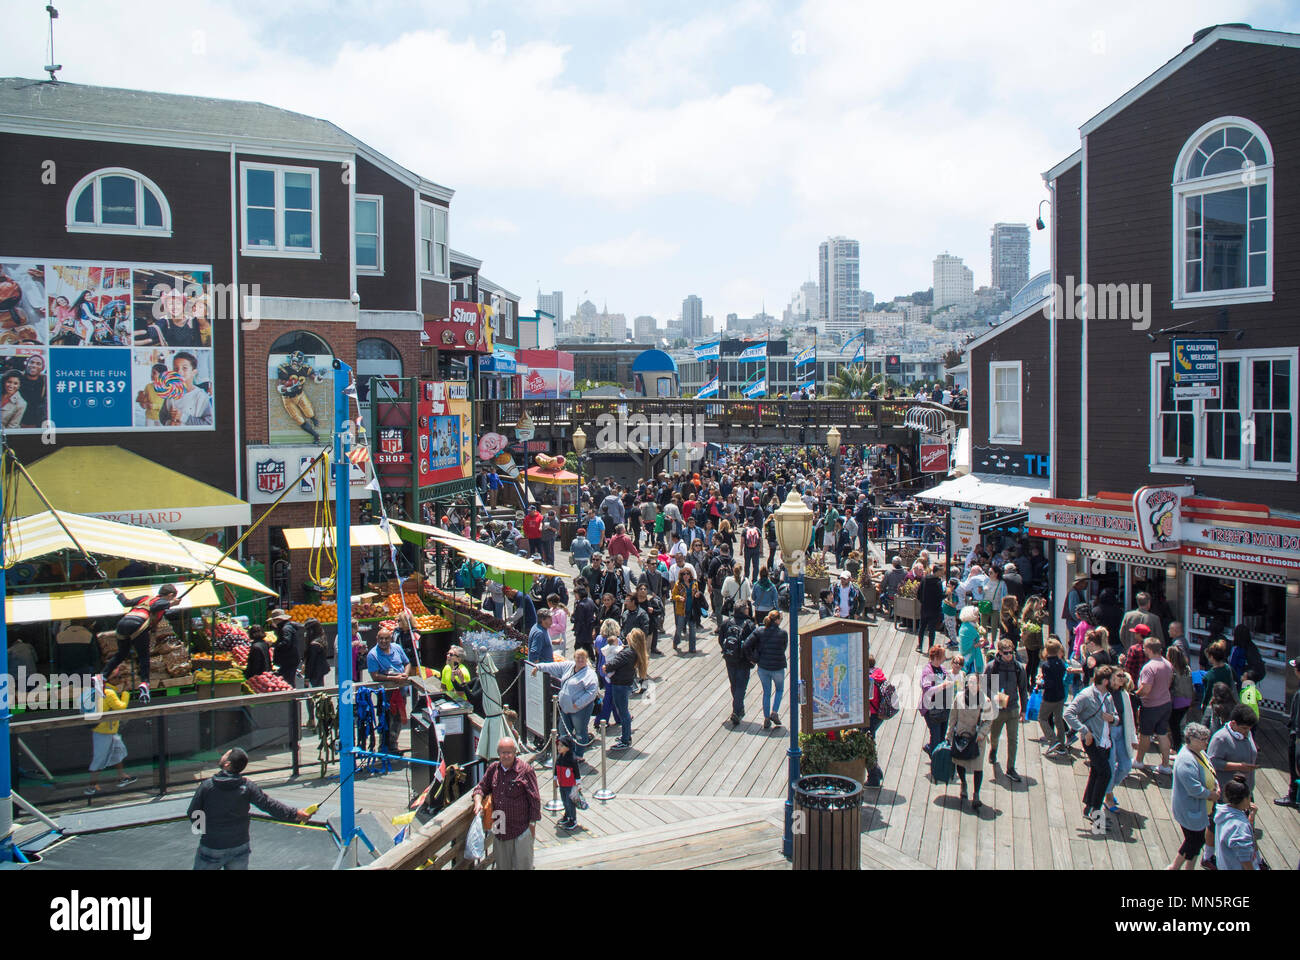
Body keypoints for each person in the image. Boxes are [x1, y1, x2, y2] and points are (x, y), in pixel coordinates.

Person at [188, 747, 309, 870]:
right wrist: (295, 813)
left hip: (212, 846)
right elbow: (268, 804)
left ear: (227, 764)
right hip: (239, 847)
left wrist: (204, 831)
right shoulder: (247, 787)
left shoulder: (207, 786)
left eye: (225, 755)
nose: (222, 756)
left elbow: (193, 812)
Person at [472, 737, 541, 870]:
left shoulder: (526, 770)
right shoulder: (493, 769)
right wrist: (477, 802)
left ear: (515, 752)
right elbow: (480, 788)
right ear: (498, 753)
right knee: (502, 866)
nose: (506, 755)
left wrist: (532, 825)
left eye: (509, 752)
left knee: (523, 866)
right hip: (500, 827)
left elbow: (535, 799)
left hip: (521, 827)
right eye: (503, 752)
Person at [1065, 664, 1118, 835]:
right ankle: (1096, 812)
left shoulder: (1108, 697)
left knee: (1097, 772)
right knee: (1105, 773)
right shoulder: (1086, 696)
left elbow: (1116, 717)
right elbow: (1068, 714)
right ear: (1104, 681)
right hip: (1092, 741)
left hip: (1104, 742)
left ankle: (1089, 806)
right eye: (1113, 679)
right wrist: (1084, 731)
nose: (1116, 682)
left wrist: (1112, 719)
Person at [532, 649, 600, 761]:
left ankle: (578, 755)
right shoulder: (569, 666)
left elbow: (591, 693)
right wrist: (539, 667)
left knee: (580, 732)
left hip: (580, 709)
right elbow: (554, 666)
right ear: (574, 658)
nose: (580, 660)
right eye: (578, 657)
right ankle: (567, 754)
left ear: (586, 659)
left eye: (583, 658)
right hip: (565, 707)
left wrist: (577, 704)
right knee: (563, 732)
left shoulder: (590, 675)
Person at [1168, 722, 1218, 870]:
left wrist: (1216, 785)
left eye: (1206, 739)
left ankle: (1188, 867)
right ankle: (1174, 867)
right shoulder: (1186, 760)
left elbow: (1210, 770)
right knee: (1194, 841)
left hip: (1200, 809)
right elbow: (1194, 789)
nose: (1206, 742)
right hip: (1190, 810)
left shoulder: (1200, 753)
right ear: (1191, 739)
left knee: (1196, 840)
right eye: (1203, 739)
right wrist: (1211, 795)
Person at [949, 671, 997, 811]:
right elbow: (953, 716)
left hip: (977, 738)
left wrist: (982, 733)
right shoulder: (959, 697)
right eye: (970, 682)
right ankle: (964, 784)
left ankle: (976, 794)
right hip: (961, 735)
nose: (972, 685)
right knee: (960, 762)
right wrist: (949, 733)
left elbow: (989, 720)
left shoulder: (985, 701)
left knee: (978, 766)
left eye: (974, 682)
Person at [85, 673, 137, 796]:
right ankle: (91, 786)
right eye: (118, 678)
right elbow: (121, 707)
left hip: (106, 730)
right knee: (99, 758)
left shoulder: (95, 692)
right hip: (104, 732)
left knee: (117, 751)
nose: (120, 680)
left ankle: (121, 777)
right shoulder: (109, 693)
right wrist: (125, 693)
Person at [984, 637, 1028, 782]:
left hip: (1013, 708)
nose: (1009, 655)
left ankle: (1010, 768)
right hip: (997, 709)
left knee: (1013, 739)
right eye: (1006, 653)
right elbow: (985, 686)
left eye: (1011, 652)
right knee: (995, 736)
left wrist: (1024, 710)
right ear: (1000, 653)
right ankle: (994, 750)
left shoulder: (1018, 668)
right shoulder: (992, 667)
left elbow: (1023, 688)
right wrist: (993, 696)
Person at [1132, 637, 1174, 774]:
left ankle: (1138, 761)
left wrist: (1134, 694)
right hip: (1165, 703)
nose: (1143, 650)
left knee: (1145, 734)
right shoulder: (1167, 664)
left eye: (1144, 648)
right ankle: (1166, 765)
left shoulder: (1149, 667)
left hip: (1151, 706)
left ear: (1149, 649)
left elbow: (1146, 689)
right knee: (1162, 734)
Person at [1104, 670, 1138, 813]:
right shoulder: (1105, 693)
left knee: (1126, 765)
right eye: (1120, 675)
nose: (1123, 678)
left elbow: (1129, 716)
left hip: (1122, 732)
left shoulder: (1124, 694)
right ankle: (1108, 795)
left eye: (1124, 676)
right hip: (1109, 733)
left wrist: (1133, 737)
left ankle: (1108, 788)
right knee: (1110, 767)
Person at [1206, 704, 1260, 794]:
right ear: (1234, 723)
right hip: (1228, 794)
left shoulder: (1247, 733)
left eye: (1249, 729)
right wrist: (1238, 766)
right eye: (1244, 728)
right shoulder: (1221, 738)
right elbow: (1212, 762)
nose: (1247, 732)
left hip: (1245, 791)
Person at [1213, 775, 1260, 870]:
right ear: (1245, 799)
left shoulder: (1223, 813)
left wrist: (1251, 818)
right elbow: (1245, 859)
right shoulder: (1239, 826)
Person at [602, 629, 638, 750]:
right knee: (622, 710)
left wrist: (606, 667)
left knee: (623, 712)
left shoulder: (627, 653)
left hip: (620, 684)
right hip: (624, 682)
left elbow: (614, 663)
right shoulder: (631, 650)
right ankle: (625, 735)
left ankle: (625, 739)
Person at [753, 610, 788, 730]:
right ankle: (774, 712)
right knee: (779, 690)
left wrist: (753, 658)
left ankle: (766, 717)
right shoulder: (783, 633)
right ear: (777, 620)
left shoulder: (760, 631)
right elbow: (784, 648)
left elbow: (749, 644)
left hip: (763, 666)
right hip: (778, 667)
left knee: (766, 692)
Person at [918, 645, 956, 754]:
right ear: (936, 657)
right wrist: (942, 686)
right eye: (943, 656)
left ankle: (931, 750)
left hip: (943, 707)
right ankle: (935, 760)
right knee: (935, 734)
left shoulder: (942, 669)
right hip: (931, 708)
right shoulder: (928, 671)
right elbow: (927, 689)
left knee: (942, 735)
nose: (944, 658)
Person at [1037, 637, 1070, 755]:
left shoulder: (1046, 665)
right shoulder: (1061, 663)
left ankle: (1053, 740)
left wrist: (1040, 685)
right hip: (1060, 695)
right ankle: (1062, 745)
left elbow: (1049, 683)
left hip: (1050, 697)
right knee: (1058, 719)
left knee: (1042, 718)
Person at [671, 567, 706, 654]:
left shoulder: (694, 583)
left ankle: (692, 648)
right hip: (682, 610)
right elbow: (673, 595)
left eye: (688, 574)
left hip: (692, 609)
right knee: (679, 629)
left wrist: (697, 594)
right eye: (684, 574)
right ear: (681, 576)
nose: (686, 576)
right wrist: (679, 597)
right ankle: (676, 642)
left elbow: (697, 591)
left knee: (692, 629)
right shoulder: (678, 584)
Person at [1166, 645, 1195, 751]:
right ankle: (1177, 744)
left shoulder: (1172, 669)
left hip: (1177, 700)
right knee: (1178, 724)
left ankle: (1176, 747)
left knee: (1174, 724)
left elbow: (1170, 685)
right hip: (1187, 700)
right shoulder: (1187, 668)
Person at [302, 619, 330, 726]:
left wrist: (306, 678)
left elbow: (311, 663)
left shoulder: (314, 644)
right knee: (320, 696)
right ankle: (322, 719)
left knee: (310, 697)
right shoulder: (322, 638)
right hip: (321, 672)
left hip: (314, 673)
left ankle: (312, 719)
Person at [270, 609, 302, 690]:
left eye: (274, 620)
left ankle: (293, 700)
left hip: (289, 659)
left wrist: (274, 646)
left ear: (278, 620)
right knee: (289, 680)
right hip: (290, 659)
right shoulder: (286, 627)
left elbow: (286, 643)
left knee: (288, 682)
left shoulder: (285, 629)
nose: (273, 622)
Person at [554, 735, 582, 831]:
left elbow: (576, 772)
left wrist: (578, 784)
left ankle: (573, 820)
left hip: (570, 784)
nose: (559, 747)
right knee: (564, 801)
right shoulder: (559, 757)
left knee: (570, 802)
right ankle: (567, 815)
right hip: (562, 783)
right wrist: (555, 779)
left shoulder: (572, 759)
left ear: (568, 747)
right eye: (558, 745)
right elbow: (556, 769)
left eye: (561, 746)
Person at [1200, 639, 1236, 711]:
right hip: (1228, 705)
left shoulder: (1209, 676)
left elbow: (1207, 695)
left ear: (1212, 657)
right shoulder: (1228, 669)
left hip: (1214, 707)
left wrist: (1203, 706)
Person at [957, 605, 985, 675]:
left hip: (972, 655)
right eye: (976, 615)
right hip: (969, 658)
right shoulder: (968, 629)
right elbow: (965, 647)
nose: (978, 616)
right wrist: (978, 644)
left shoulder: (967, 625)